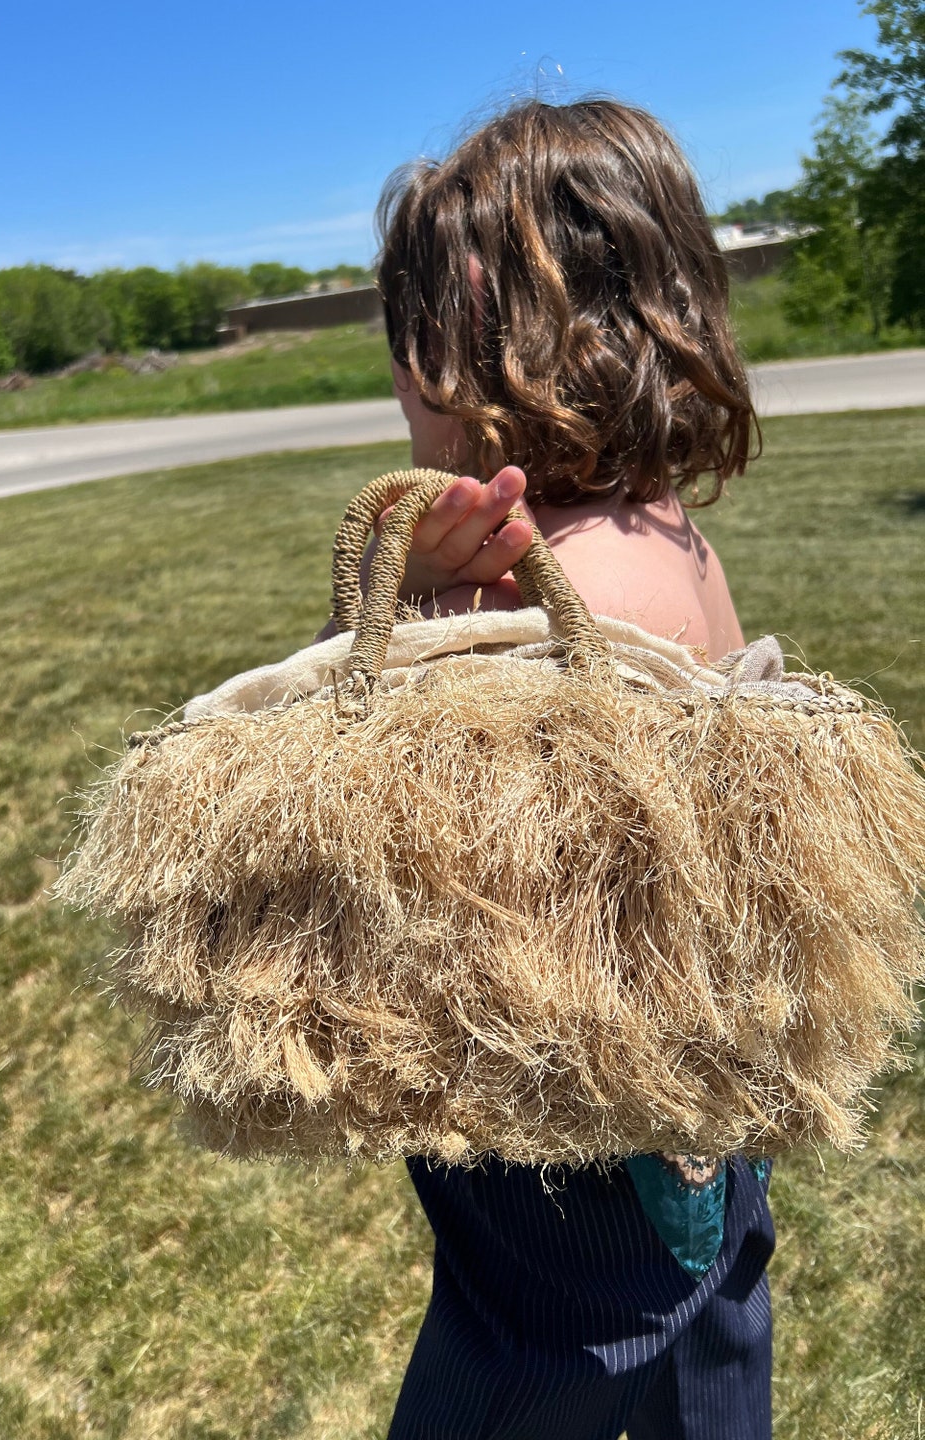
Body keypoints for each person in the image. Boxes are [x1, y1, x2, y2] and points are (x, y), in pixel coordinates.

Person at [364, 100, 777, 1440]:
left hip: (576, 1133)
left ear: (507, 358)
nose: (404, 392)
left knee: (527, 1372)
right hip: (710, 1080)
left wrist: (395, 617)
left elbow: (396, 827)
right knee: (708, 1332)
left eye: (419, 351)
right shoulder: (661, 532)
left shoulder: (564, 592)